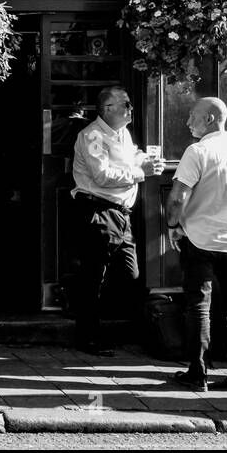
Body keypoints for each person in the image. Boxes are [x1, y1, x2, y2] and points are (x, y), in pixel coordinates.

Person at [166, 97, 227, 392]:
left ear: (210, 119)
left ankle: (198, 374)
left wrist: (173, 227)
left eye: (192, 116)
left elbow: (176, 198)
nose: (187, 122)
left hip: (199, 238)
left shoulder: (197, 151)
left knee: (199, 305)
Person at [69, 85, 165, 356]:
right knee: (93, 276)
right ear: (107, 108)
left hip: (121, 213)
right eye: (125, 104)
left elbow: (134, 155)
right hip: (98, 210)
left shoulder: (122, 133)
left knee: (129, 274)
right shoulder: (93, 136)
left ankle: (110, 329)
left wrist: (147, 161)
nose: (130, 108)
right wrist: (139, 172)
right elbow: (102, 176)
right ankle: (89, 336)